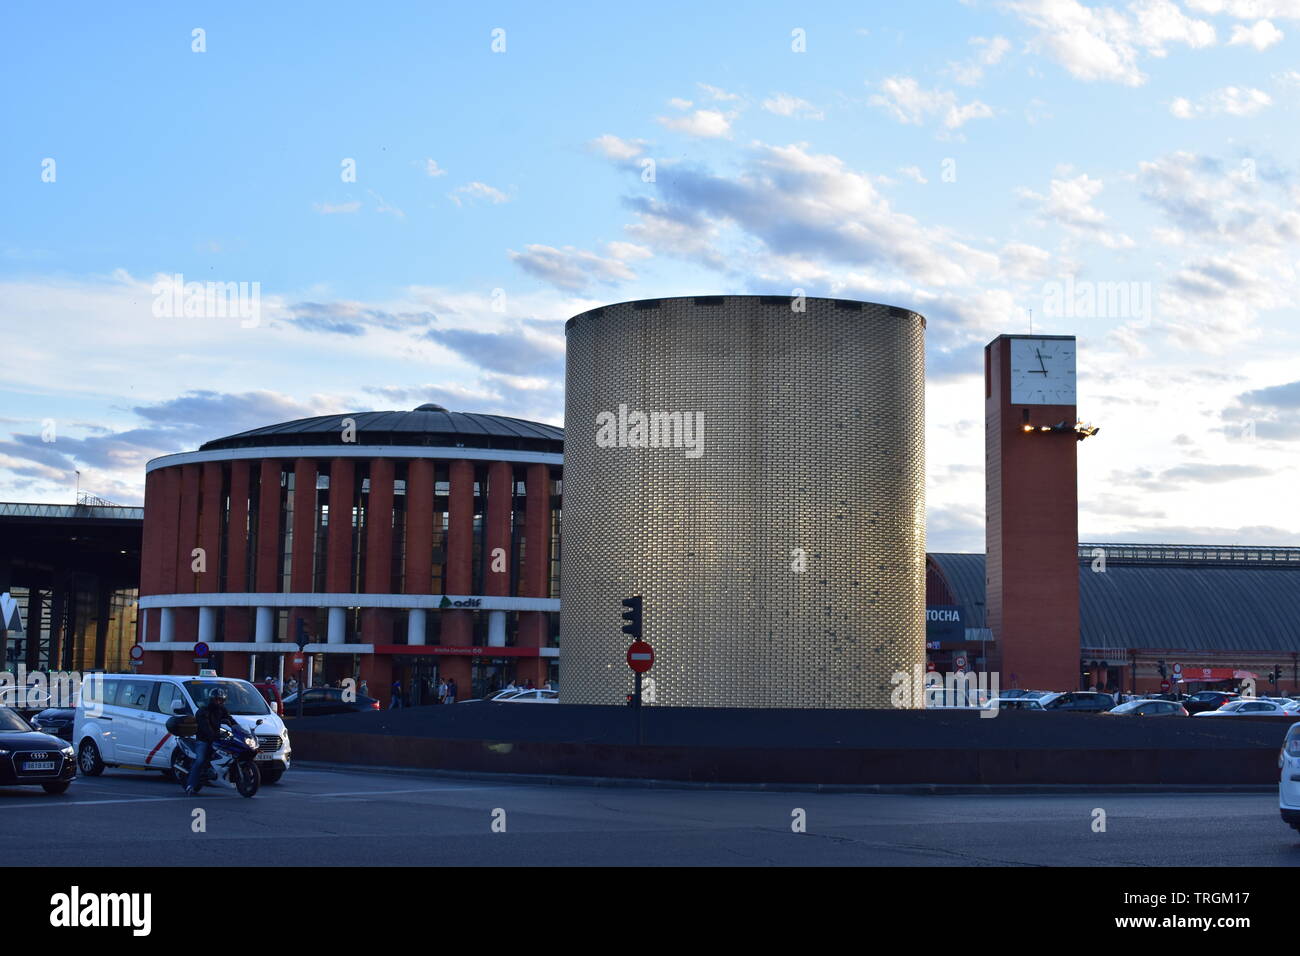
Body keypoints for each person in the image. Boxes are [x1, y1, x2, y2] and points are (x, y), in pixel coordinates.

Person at [185, 688, 242, 795]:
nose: (219, 702)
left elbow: (230, 719)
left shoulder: (222, 710)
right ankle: (190, 785)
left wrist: (239, 729)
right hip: (203, 740)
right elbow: (205, 727)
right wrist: (214, 736)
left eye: (221, 700)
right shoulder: (203, 711)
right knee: (200, 760)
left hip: (216, 738)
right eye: (217, 699)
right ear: (212, 699)